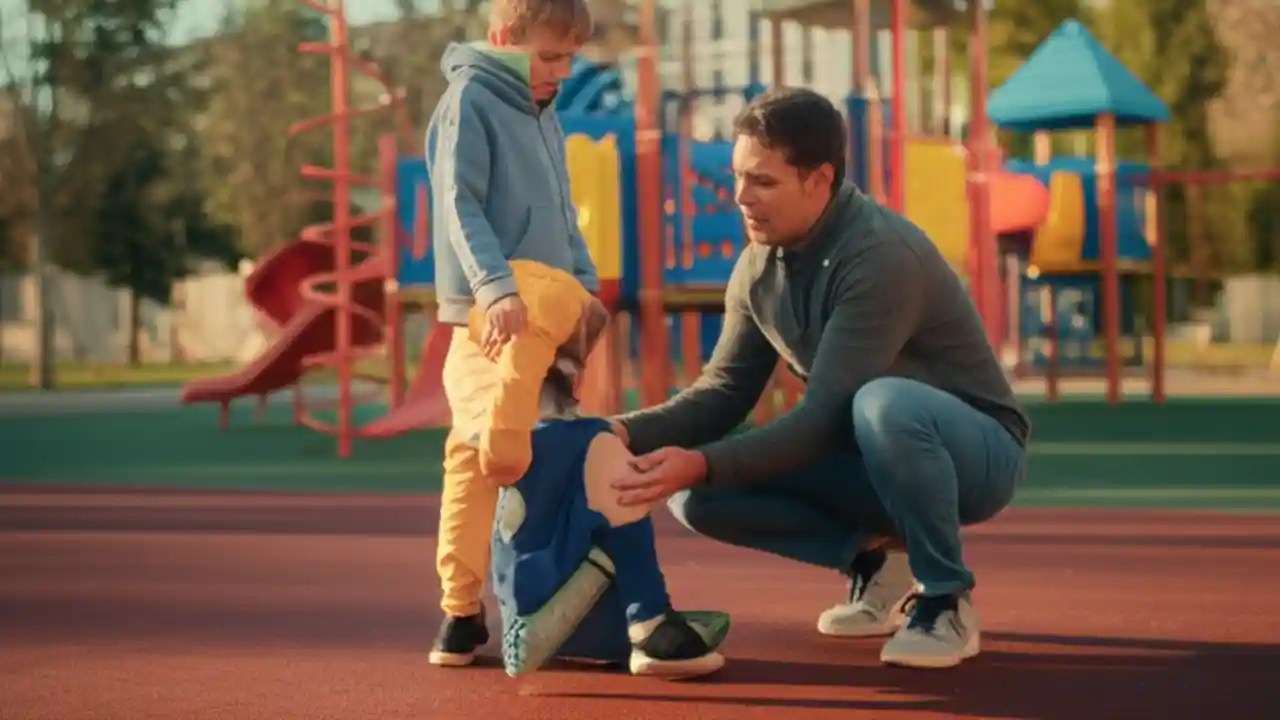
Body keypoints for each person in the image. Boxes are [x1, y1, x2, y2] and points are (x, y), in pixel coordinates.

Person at [608, 87, 1031, 670]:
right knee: (695, 496)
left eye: (763, 181)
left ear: (819, 180)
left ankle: (944, 599)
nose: (741, 197)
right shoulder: (758, 265)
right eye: (738, 177)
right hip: (868, 453)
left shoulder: (880, 257)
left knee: (882, 404)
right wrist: (617, 433)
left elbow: (822, 419)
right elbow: (723, 394)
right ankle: (877, 562)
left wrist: (699, 459)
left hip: (976, 456)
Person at [424, 0, 600, 667]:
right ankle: (461, 607)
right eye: (550, 56)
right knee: (475, 454)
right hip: (490, 313)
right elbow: (459, 202)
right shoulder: (470, 99)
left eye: (569, 58)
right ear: (503, 38)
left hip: (545, 313)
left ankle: (550, 600)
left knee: (549, 449)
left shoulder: (544, 109)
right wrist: (494, 287)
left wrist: (584, 283)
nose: (562, 71)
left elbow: (562, 209)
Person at [459, 259, 728, 679]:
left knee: (590, 485)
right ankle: (651, 623)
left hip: (521, 599)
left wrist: (457, 611)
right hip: (575, 613)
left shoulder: (482, 435)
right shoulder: (585, 440)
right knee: (609, 462)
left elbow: (460, 516)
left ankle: (613, 612)